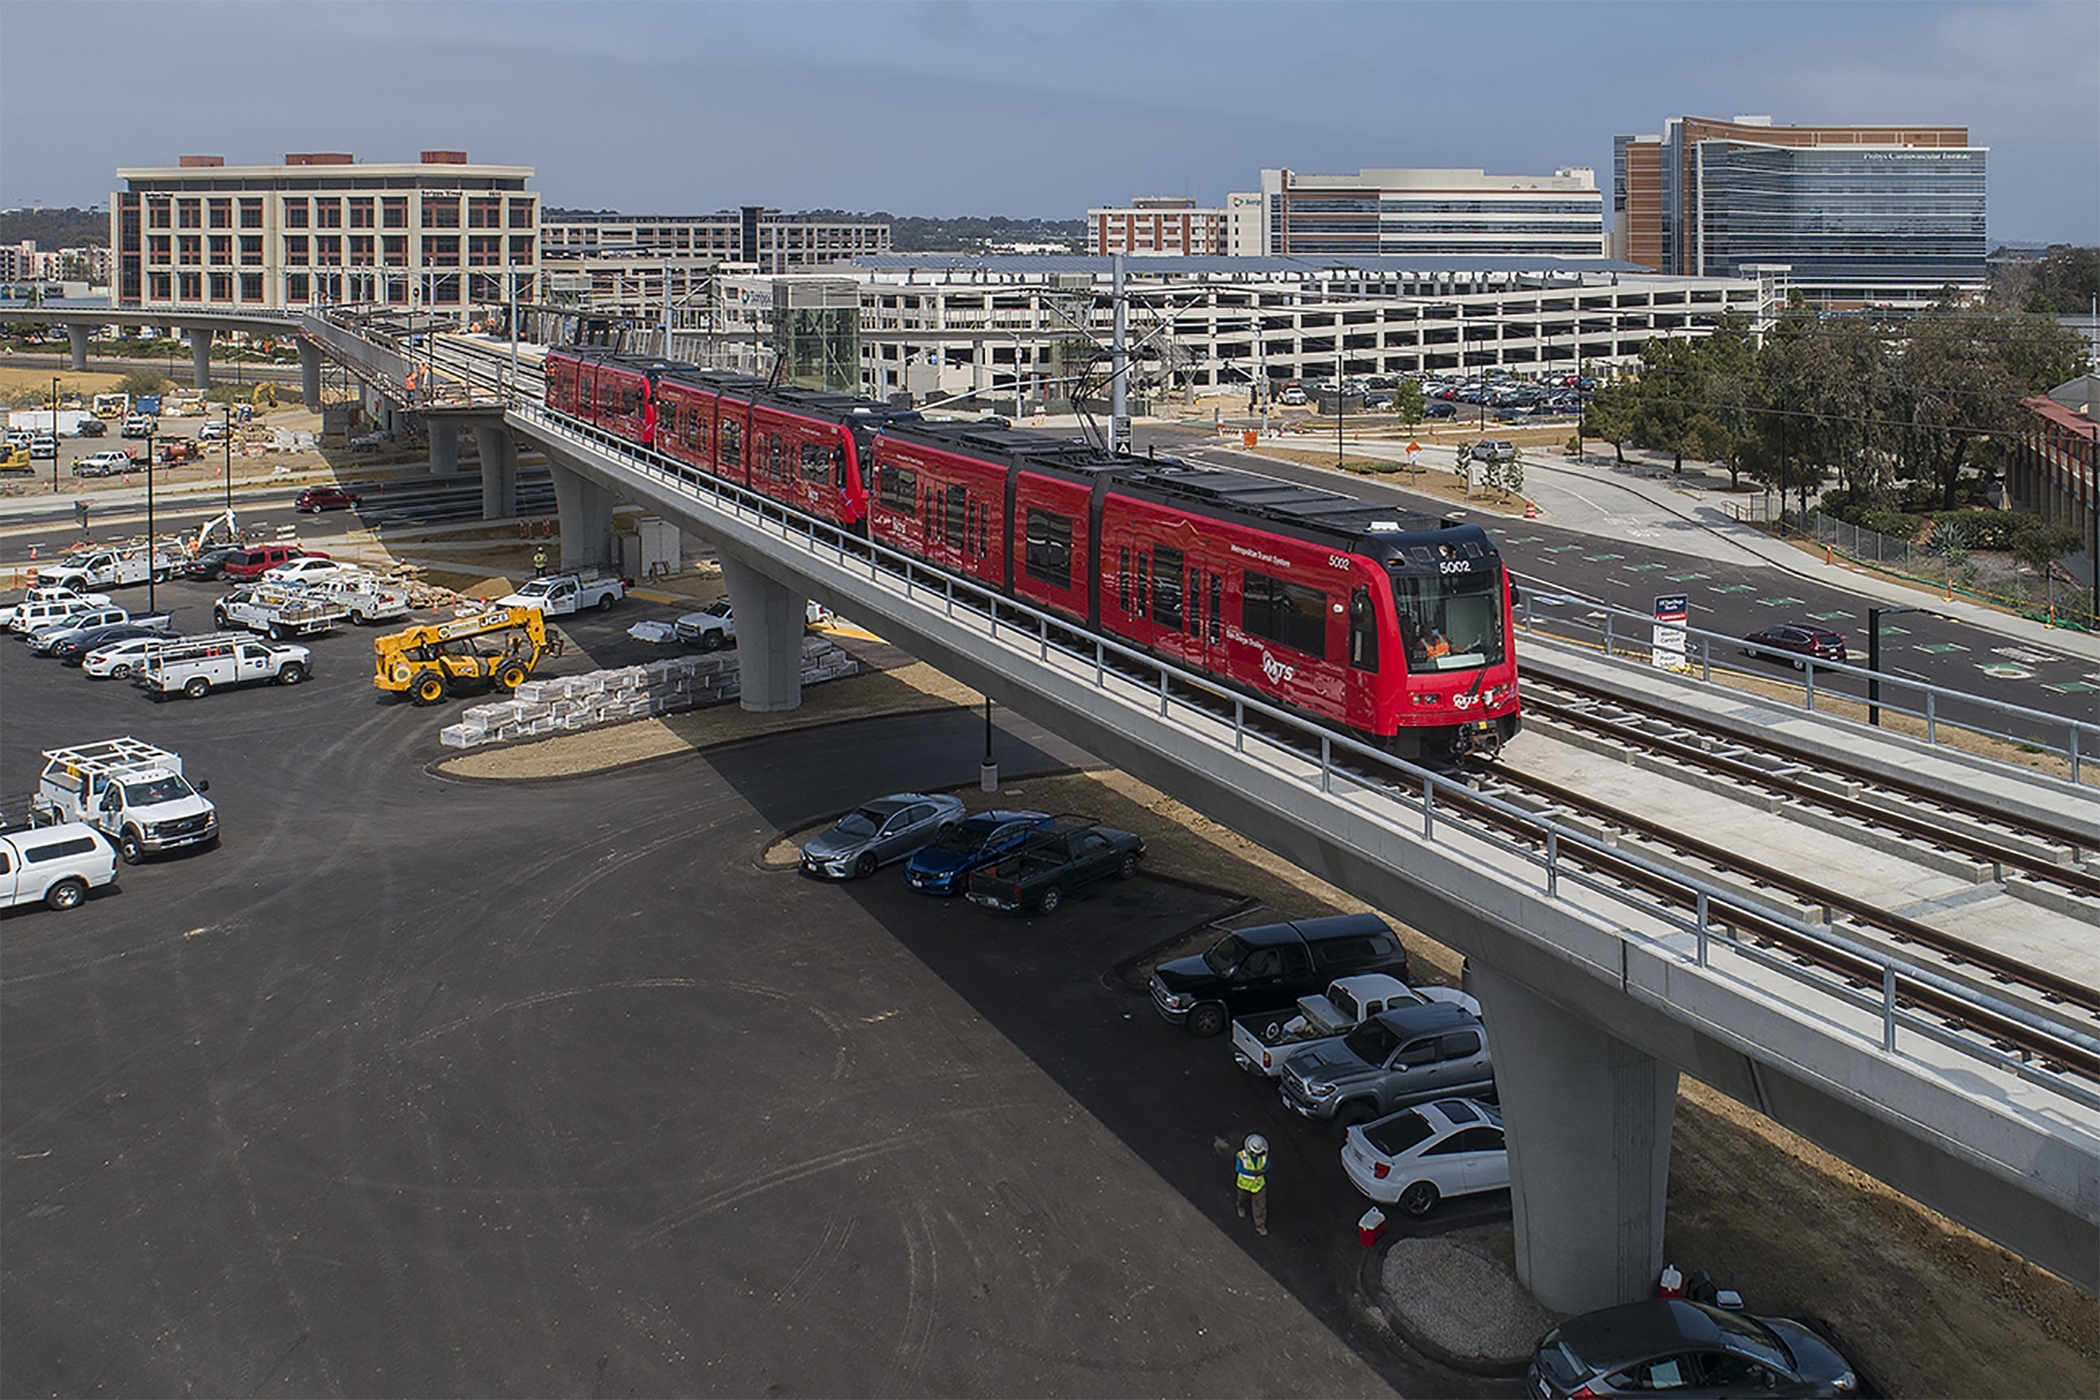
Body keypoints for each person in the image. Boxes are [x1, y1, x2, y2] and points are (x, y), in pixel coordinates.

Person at [1235, 1133, 1269, 1236]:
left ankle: (1260, 1225)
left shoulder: (1263, 1155)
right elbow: (1238, 1168)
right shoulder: (1242, 1156)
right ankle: (1240, 1206)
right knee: (1242, 1199)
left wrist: (1263, 1170)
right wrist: (1251, 1173)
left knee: (1260, 1205)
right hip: (1244, 1185)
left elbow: (1267, 1164)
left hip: (1258, 1185)